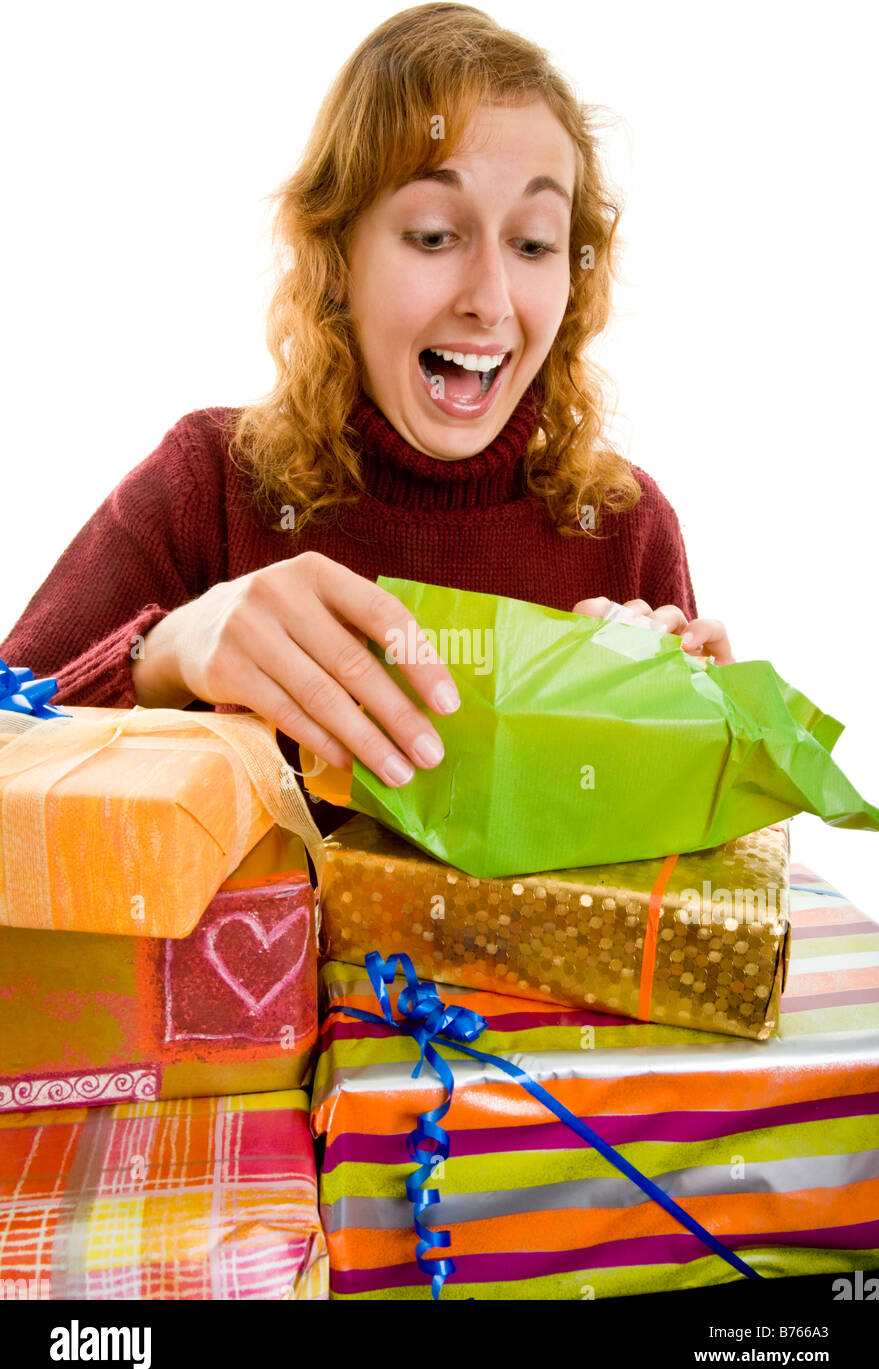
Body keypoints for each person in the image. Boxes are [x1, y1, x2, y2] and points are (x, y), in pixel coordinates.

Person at [0, 3, 732, 843]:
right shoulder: (206, 487)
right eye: (431, 235)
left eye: (533, 244)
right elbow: (9, 749)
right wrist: (160, 653)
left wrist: (689, 735)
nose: (489, 301)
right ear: (338, 254)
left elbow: (667, 885)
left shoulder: (625, 528)